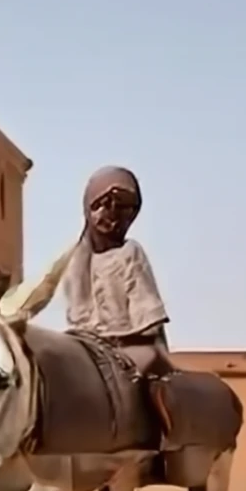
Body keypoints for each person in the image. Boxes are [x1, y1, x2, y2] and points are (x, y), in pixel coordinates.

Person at [61, 165, 177, 443]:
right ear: (88, 209)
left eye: (122, 208)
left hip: (133, 346)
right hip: (89, 346)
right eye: (103, 205)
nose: (111, 216)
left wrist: (117, 340)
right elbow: (77, 313)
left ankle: (163, 438)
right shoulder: (75, 260)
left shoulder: (130, 253)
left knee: (147, 381)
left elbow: (148, 317)